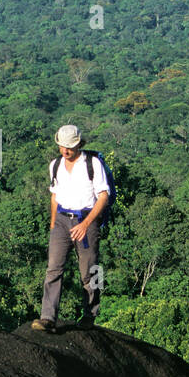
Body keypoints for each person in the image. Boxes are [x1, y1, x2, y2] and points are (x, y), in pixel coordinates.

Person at [32, 124, 110, 332]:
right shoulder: (55, 164)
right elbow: (55, 195)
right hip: (61, 220)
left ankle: (90, 314)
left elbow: (103, 196)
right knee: (53, 268)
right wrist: (52, 223)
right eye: (61, 146)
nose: (65, 151)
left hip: (87, 218)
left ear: (79, 145)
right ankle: (47, 317)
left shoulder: (92, 164)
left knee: (91, 269)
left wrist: (86, 224)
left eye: (69, 147)